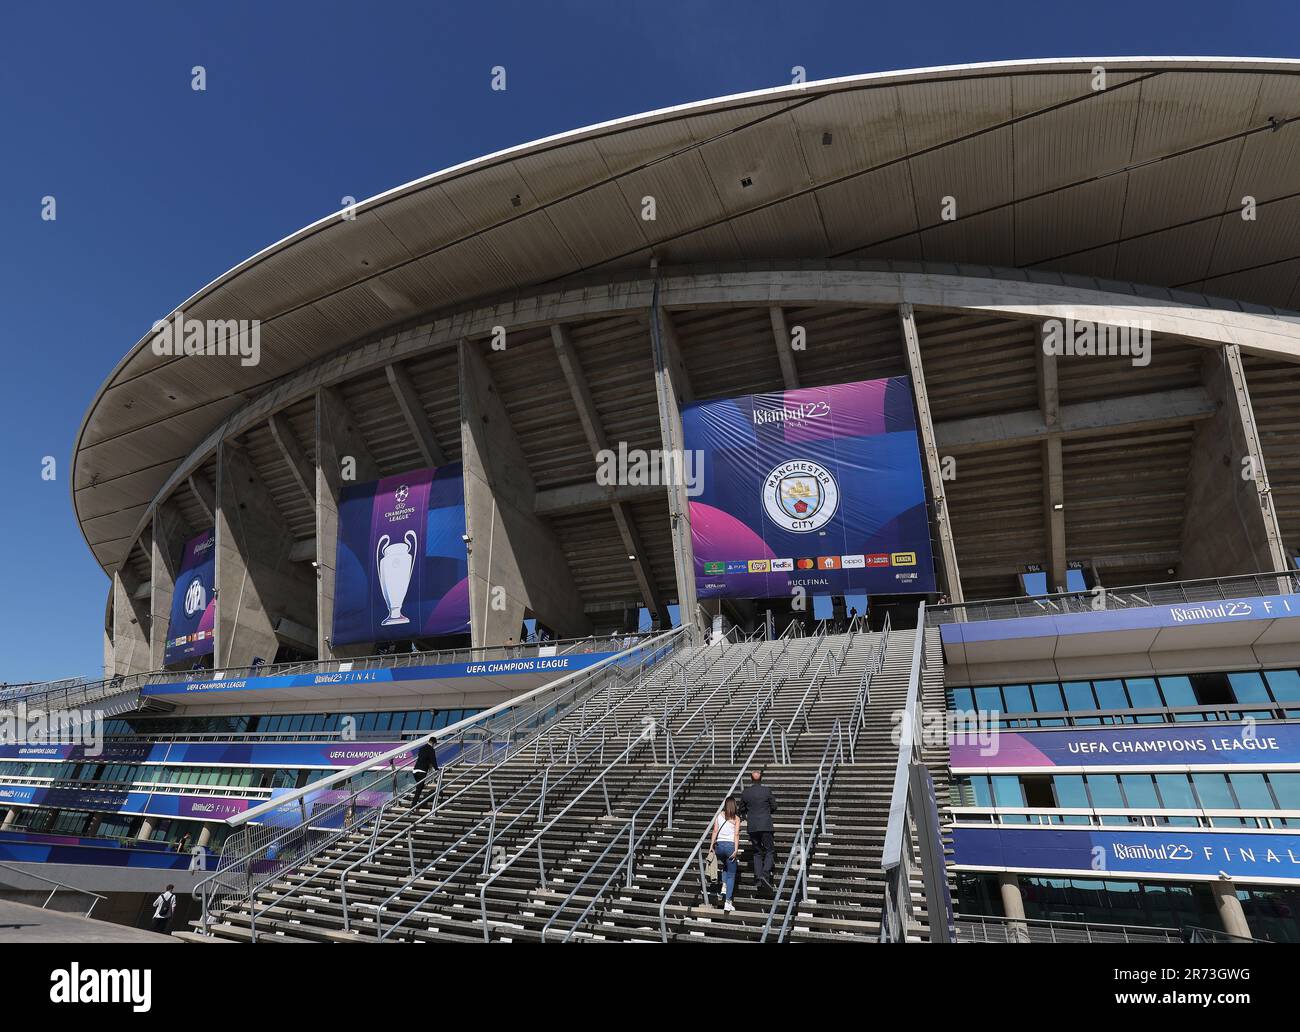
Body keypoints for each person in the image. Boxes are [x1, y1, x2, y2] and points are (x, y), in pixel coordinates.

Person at [738, 770, 778, 894]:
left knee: (757, 853)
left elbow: (741, 808)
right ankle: (765, 875)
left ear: (751, 779)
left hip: (753, 826)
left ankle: (758, 878)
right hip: (765, 825)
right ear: (761, 779)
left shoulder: (746, 792)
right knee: (770, 851)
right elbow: (774, 806)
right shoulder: (767, 791)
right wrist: (767, 813)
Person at [708, 797, 742, 913]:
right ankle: (728, 902)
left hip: (719, 846)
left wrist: (711, 846)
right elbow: (736, 834)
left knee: (725, 866)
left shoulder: (719, 815)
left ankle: (724, 885)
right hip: (730, 846)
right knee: (732, 875)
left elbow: (715, 831)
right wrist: (736, 849)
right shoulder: (737, 819)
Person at [410, 738, 439, 809]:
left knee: (420, 786)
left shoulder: (422, 748)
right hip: (422, 771)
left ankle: (416, 801)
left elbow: (423, 757)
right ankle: (413, 807)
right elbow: (433, 759)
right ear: (433, 743)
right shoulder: (431, 750)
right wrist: (436, 769)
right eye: (434, 744)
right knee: (418, 790)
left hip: (415, 770)